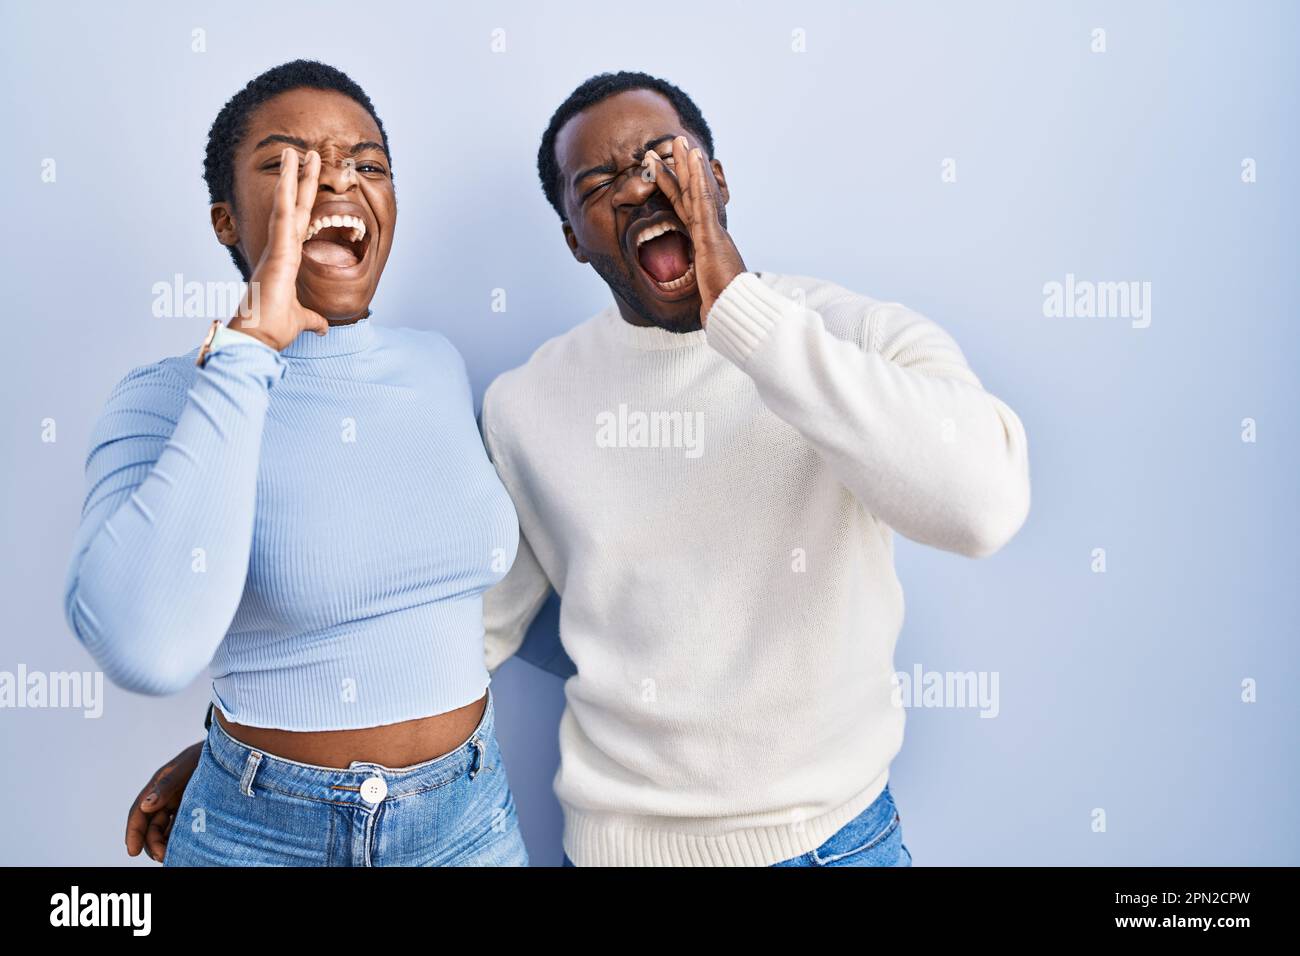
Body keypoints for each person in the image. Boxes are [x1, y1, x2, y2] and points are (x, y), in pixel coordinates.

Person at [128, 70, 1031, 868]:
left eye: (665, 161)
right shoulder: (530, 405)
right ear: (572, 236)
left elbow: (981, 508)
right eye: (600, 183)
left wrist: (745, 315)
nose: (641, 189)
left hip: (844, 842)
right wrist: (235, 762)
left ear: (716, 182)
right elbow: (461, 627)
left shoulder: (854, 337)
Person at [66, 60, 527, 867]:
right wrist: (248, 349)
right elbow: (145, 645)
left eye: (368, 163)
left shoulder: (436, 365)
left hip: (471, 818)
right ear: (225, 220)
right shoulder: (170, 397)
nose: (338, 181)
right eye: (289, 165)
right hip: (262, 839)